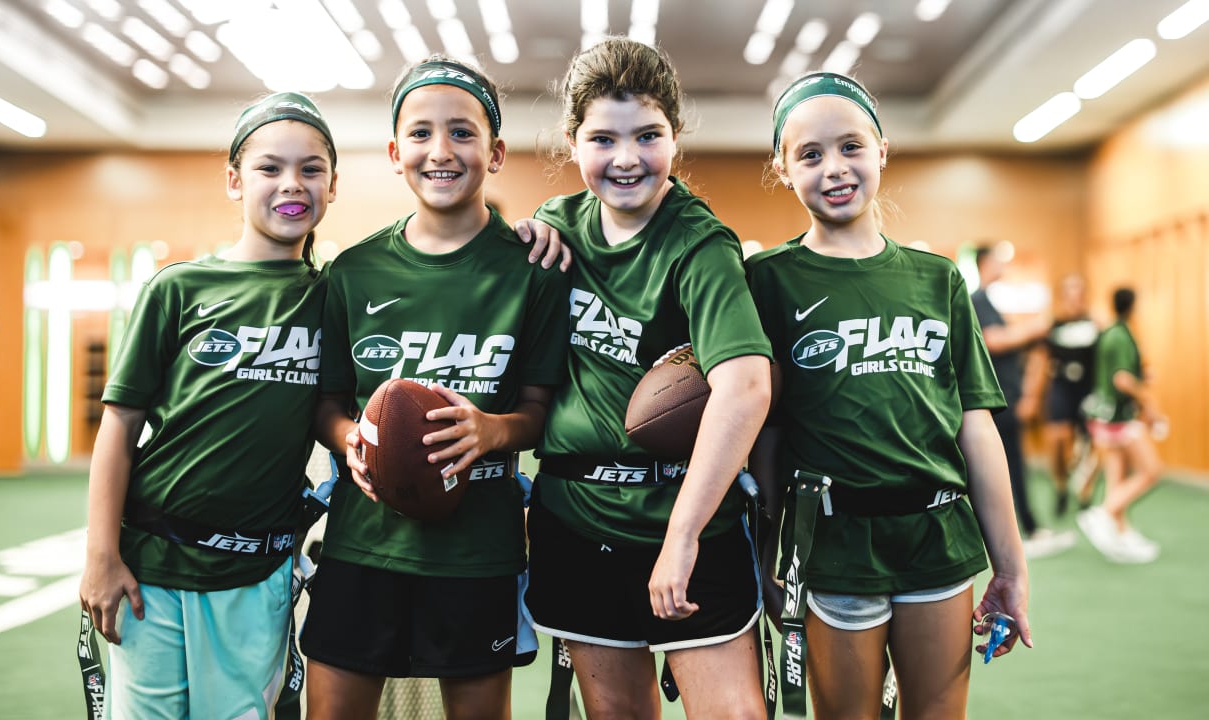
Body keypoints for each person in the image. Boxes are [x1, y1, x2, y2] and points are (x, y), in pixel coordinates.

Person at [747, 71, 1031, 719]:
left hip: (936, 535)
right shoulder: (765, 280)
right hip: (830, 543)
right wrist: (769, 548)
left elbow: (976, 429)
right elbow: (761, 428)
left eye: (851, 146)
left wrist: (1011, 569)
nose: (835, 168)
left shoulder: (939, 282)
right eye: (810, 155)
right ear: (782, 168)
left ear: (881, 150)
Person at [300, 55, 570, 720]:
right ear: (395, 153)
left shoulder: (531, 271)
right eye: (420, 134)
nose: (440, 151)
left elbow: (539, 410)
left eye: (462, 132)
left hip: (477, 549)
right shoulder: (353, 271)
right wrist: (351, 440)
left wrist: (492, 429)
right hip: (364, 542)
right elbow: (327, 404)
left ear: (496, 152)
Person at [522, 38, 774, 719]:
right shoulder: (553, 230)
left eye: (648, 136)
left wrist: (682, 539)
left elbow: (746, 386)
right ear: (573, 142)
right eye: (603, 138)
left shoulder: (697, 243)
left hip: (685, 520)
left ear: (675, 139)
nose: (627, 158)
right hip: (578, 521)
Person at [77, 91, 337, 718]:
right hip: (150, 568)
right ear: (233, 179)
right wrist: (100, 556)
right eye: (268, 168)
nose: (290, 184)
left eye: (311, 168)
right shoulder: (178, 288)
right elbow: (118, 425)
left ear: (333, 184)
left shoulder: (336, 296)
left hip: (255, 573)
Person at [970, 244, 1074, 558]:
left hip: (1006, 398)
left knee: (1012, 467)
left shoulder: (989, 300)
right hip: (998, 400)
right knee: (1008, 468)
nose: (1004, 265)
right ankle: (1026, 531)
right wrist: (1035, 327)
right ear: (985, 263)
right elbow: (994, 340)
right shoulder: (978, 299)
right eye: (998, 260)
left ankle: (1027, 529)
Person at [1077, 287, 1165, 563]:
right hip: (1119, 417)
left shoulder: (1110, 332)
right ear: (1134, 305)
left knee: (1117, 478)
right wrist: (1151, 406)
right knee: (1151, 471)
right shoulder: (1122, 335)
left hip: (1103, 416)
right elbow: (1123, 380)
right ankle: (1102, 514)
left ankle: (1120, 533)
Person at [1026, 274, 1099, 515]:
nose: (1074, 298)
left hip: (1087, 389)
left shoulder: (1095, 325)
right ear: (1062, 297)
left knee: (1090, 447)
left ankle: (1085, 493)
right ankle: (1060, 486)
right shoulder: (1052, 325)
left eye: (1079, 293)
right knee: (1058, 440)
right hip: (1060, 386)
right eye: (1069, 293)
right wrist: (1031, 397)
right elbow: (1038, 361)